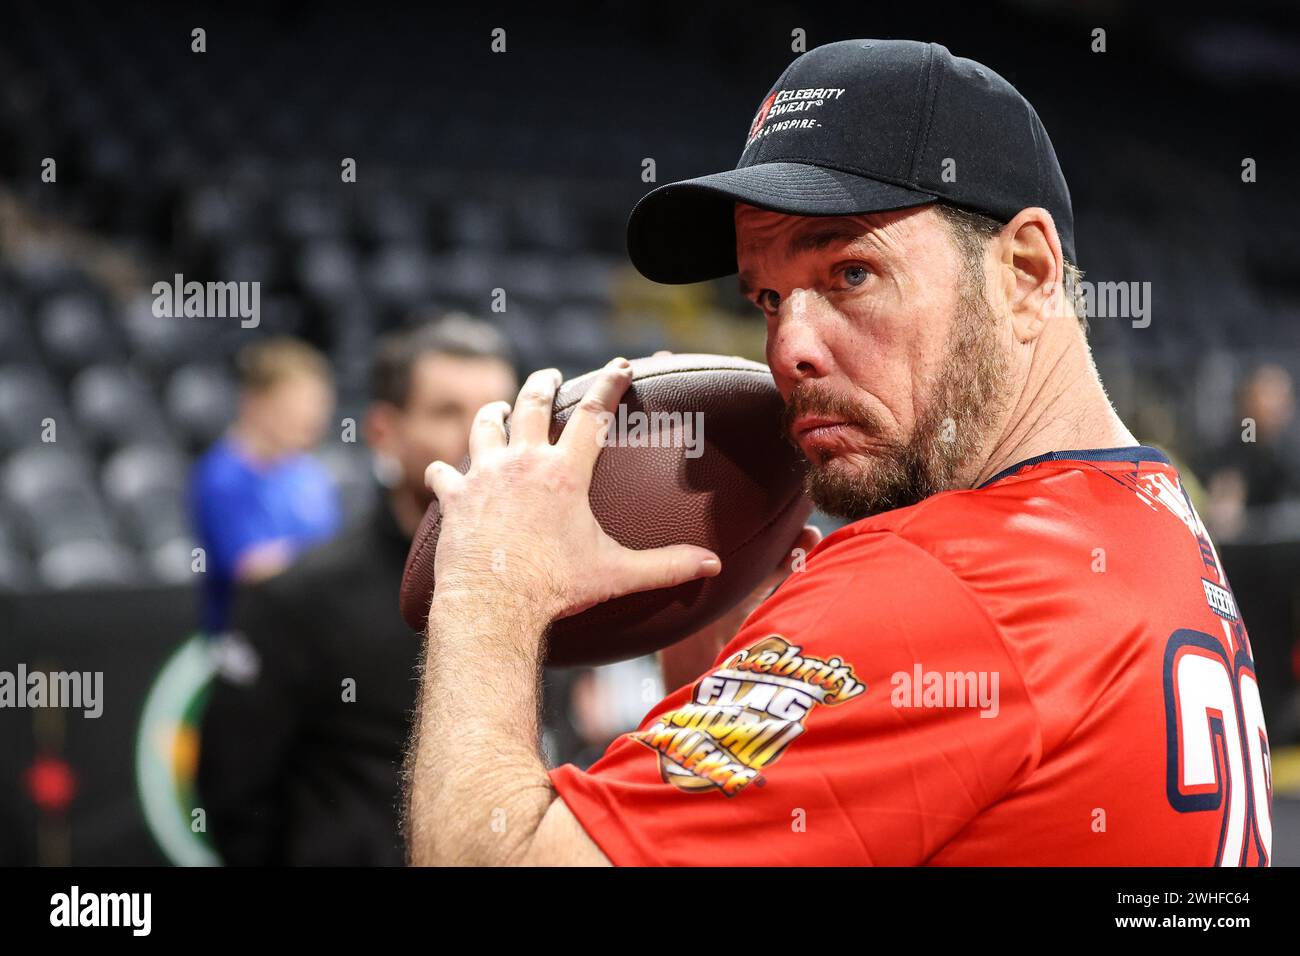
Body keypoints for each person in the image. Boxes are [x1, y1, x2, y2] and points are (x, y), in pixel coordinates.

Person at [404, 40, 1272, 866]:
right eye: (769, 297)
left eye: (850, 273)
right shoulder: (1150, 512)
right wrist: (729, 662)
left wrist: (491, 586)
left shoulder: (944, 586)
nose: (789, 349)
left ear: (1028, 273)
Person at [197, 317, 517, 865]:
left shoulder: (541, 590)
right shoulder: (297, 599)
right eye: (448, 412)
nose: (480, 438)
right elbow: (233, 792)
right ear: (383, 432)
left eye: (498, 416)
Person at [189, 338, 340, 634]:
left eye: (317, 405)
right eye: (295, 405)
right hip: (244, 639)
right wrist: (328, 561)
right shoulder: (222, 476)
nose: (311, 418)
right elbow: (251, 569)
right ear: (255, 403)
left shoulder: (312, 474)